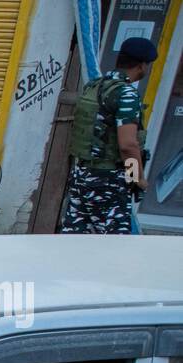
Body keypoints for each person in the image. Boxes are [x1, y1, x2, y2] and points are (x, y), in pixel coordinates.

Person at [60, 36, 158, 234]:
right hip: (108, 181)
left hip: (81, 174)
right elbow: (128, 145)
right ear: (142, 66)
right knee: (113, 246)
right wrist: (137, 177)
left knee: (74, 240)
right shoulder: (126, 94)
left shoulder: (94, 85)